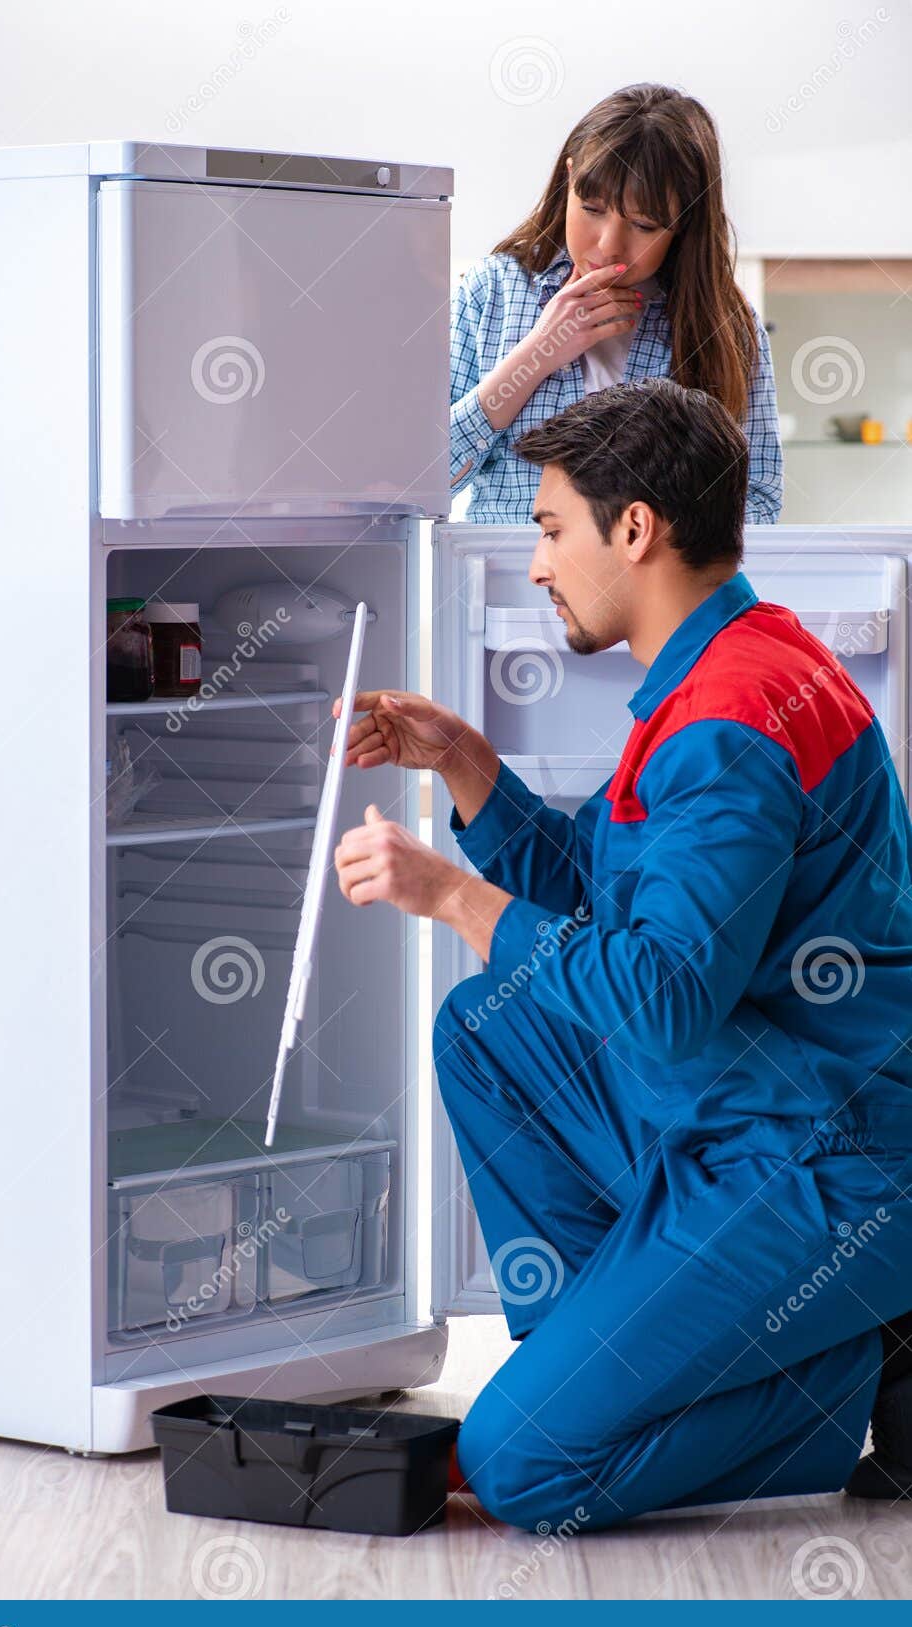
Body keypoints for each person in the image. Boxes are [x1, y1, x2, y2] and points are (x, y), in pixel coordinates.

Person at [333, 377, 912, 1531]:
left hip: (821, 1164)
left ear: (634, 528)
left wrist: (454, 896)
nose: (540, 563)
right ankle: (619, 1361)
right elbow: (607, 897)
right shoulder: (734, 663)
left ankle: (848, 1368)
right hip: (746, 1108)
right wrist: (467, 767)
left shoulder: (727, 725)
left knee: (520, 1466)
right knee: (487, 1028)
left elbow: (662, 1000)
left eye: (551, 529)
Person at [451, 83, 783, 526]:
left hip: (657, 596)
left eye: (644, 225)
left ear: (685, 223)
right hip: (504, 589)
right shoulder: (491, 292)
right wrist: (537, 355)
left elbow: (757, 503)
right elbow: (421, 483)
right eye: (591, 208)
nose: (608, 246)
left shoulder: (725, 328)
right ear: (569, 179)